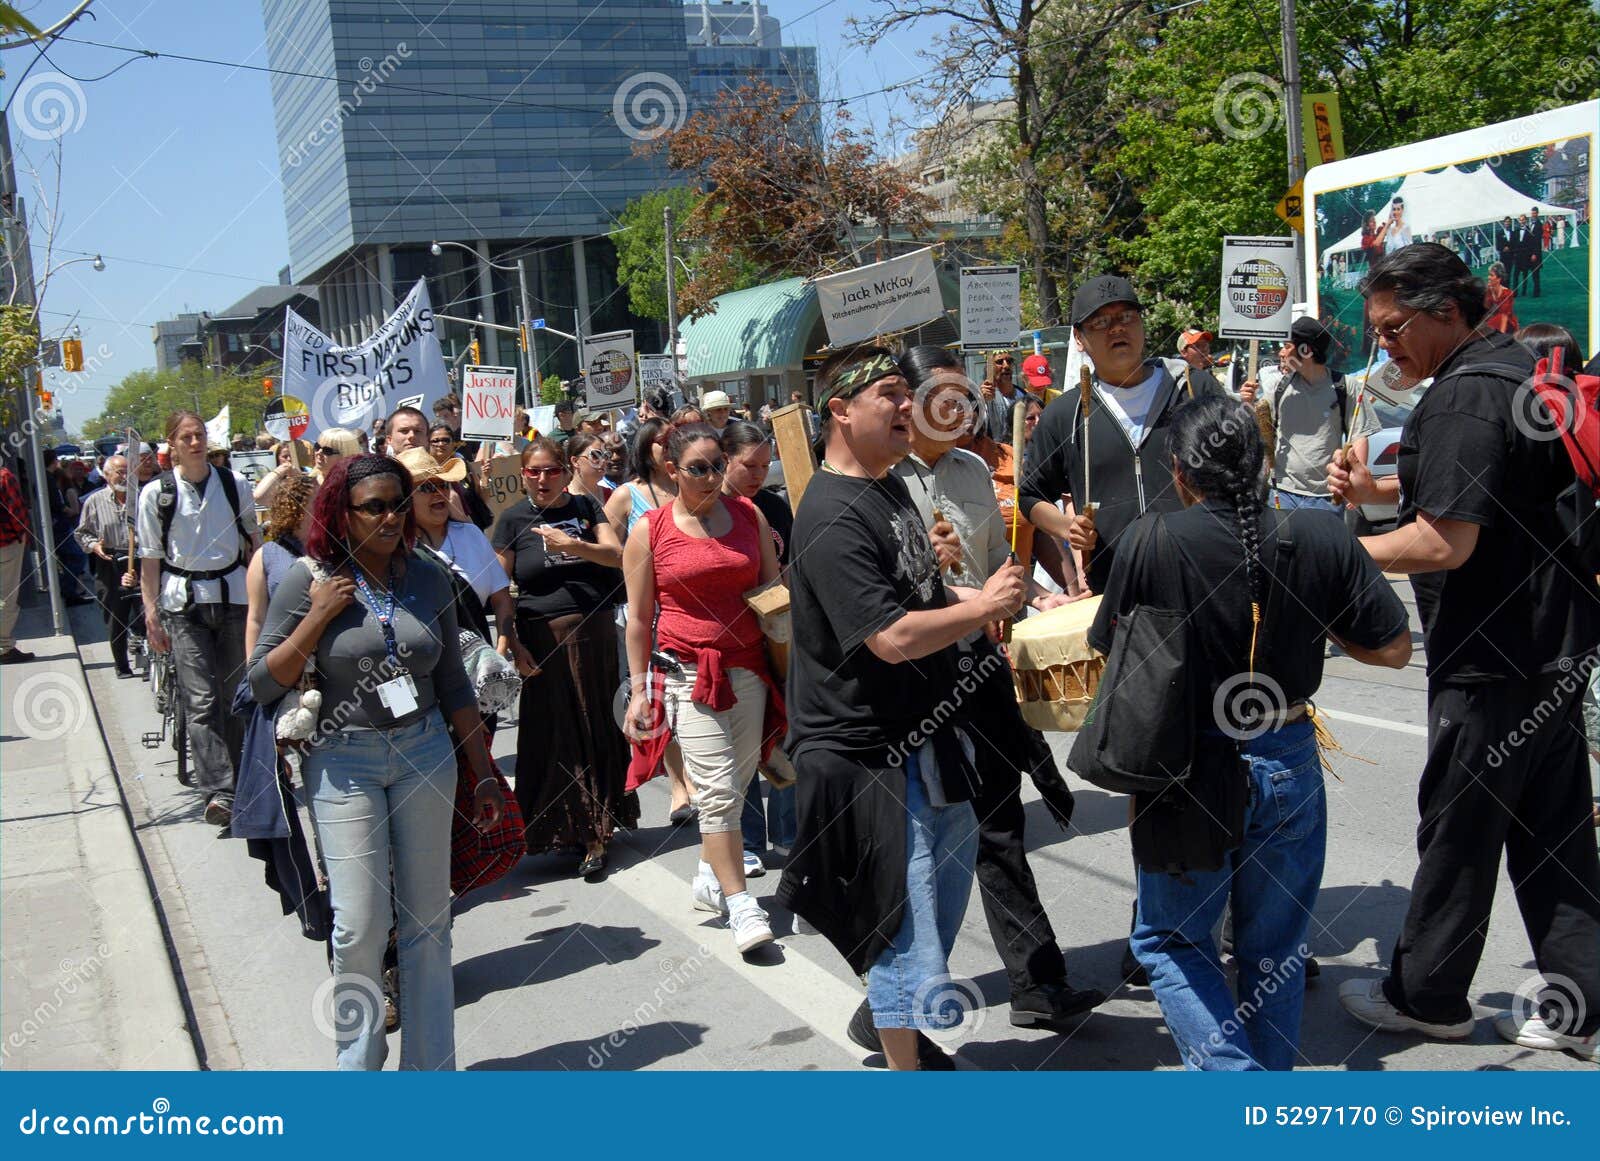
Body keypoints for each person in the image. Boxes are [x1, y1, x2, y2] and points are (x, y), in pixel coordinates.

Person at [1328, 243, 1600, 1057]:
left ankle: (1430, 995)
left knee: (1458, 831)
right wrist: (1378, 496)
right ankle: (1580, 1006)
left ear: (1445, 310)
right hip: (1557, 648)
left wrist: (1332, 555)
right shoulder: (1519, 370)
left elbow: (1445, 540)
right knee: (1556, 839)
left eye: (1392, 328)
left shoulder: (1463, 396)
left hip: (1491, 661)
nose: (1384, 347)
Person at [1090, 393, 1411, 1069]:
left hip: (1187, 766)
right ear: (1263, 463)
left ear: (1180, 471)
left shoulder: (1151, 539)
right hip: (1289, 755)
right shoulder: (1321, 534)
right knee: (1275, 953)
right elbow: (1392, 649)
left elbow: (1108, 650)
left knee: (1174, 942)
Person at [775, 345, 1023, 1070]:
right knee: (899, 924)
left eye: (908, 393)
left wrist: (981, 606)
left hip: (929, 736)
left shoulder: (887, 490)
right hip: (867, 754)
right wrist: (979, 604)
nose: (907, 406)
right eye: (889, 393)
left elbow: (918, 598)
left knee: (939, 910)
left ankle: (892, 1029)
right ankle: (906, 1071)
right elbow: (887, 636)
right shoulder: (826, 514)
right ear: (840, 411)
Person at [249, 454, 500, 1070]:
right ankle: (355, 1072)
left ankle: (430, 1071)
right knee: (360, 927)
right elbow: (259, 682)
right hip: (343, 760)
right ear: (342, 512)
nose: (390, 517)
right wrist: (316, 618)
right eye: (374, 506)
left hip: (425, 753)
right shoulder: (307, 578)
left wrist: (485, 770)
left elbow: (452, 682)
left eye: (398, 502)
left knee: (428, 924)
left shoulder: (427, 577)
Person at [891, 345, 1106, 1036]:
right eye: (942, 395)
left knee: (1000, 824)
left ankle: (1036, 981)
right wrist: (940, 574)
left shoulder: (976, 470)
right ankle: (893, 1000)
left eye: (964, 395)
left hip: (978, 674)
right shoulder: (876, 483)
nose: (957, 408)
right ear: (910, 400)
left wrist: (1032, 601)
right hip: (911, 684)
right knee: (926, 844)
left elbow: (997, 573)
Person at [622, 423, 782, 951]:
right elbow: (640, 619)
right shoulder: (650, 531)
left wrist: (788, 666)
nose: (712, 477)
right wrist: (642, 690)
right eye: (698, 468)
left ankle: (711, 878)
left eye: (717, 465)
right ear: (671, 471)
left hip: (749, 669)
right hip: (688, 673)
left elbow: (773, 593)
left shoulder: (748, 515)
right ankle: (742, 905)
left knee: (735, 789)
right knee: (714, 791)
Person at [1020, 274, 1223, 596]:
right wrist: (1068, 527)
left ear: (1142, 324)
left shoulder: (1195, 388)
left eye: (1126, 317)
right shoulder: (1065, 414)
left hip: (1205, 580)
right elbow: (1030, 495)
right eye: (1101, 322)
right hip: (1115, 592)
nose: (1117, 328)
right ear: (1079, 337)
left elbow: (1242, 467)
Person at [493, 439, 635, 876]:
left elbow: (616, 556)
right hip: (541, 637)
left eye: (551, 470)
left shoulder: (586, 508)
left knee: (594, 723)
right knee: (555, 731)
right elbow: (499, 590)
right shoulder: (512, 519)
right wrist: (510, 642)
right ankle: (561, 827)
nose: (542, 479)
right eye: (533, 472)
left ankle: (598, 830)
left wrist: (569, 545)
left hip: (592, 632)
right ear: (523, 474)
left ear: (564, 470)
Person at [139, 410, 262, 827]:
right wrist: (151, 614)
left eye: (200, 435)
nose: (195, 442)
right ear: (171, 443)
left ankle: (244, 778)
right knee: (201, 700)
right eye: (187, 437)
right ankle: (219, 790)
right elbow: (150, 560)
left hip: (233, 598)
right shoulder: (157, 493)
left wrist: (265, 595)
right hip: (183, 604)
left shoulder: (234, 483)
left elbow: (254, 543)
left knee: (235, 696)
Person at [604, 417, 695, 824]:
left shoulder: (693, 486)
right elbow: (605, 549)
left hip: (688, 612)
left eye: (673, 440)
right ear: (645, 448)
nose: (667, 446)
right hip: (644, 615)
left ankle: (700, 777)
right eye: (660, 441)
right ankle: (678, 785)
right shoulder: (627, 496)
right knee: (660, 704)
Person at [719, 421, 794, 870]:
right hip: (734, 643)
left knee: (786, 731)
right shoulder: (710, 511)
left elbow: (790, 568)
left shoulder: (774, 508)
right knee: (739, 745)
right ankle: (747, 842)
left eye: (765, 465)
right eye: (749, 465)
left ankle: (789, 831)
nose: (758, 474)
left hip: (780, 635)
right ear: (724, 458)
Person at [398, 447, 536, 681]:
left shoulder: (470, 534)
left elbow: (501, 598)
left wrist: (501, 649)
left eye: (442, 485)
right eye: (427, 488)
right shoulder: (396, 548)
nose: (439, 493)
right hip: (423, 673)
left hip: (479, 668)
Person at [1239, 317, 1378, 512]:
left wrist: (1355, 483)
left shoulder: (1345, 387)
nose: (1281, 352)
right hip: (1283, 492)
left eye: (1287, 346)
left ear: (1306, 350)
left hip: (1327, 497)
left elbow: (1359, 436)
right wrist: (1247, 401)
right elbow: (1258, 426)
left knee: (1324, 544)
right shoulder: (1280, 386)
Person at [74, 454, 145, 677]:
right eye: (119, 472)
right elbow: (82, 533)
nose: (125, 476)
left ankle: (150, 661)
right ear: (106, 475)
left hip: (143, 559)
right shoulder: (94, 501)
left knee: (145, 612)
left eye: (128, 471)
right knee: (115, 616)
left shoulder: (142, 498)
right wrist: (95, 546)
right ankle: (121, 664)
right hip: (110, 563)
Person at [0, 456, 35, 664]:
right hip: (5, 544)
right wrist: (23, 536)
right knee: (6, 597)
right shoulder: (4, 477)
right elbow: (17, 512)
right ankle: (3, 647)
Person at [981, 350, 1033, 446]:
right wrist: (980, 401)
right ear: (989, 367)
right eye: (999, 362)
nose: (1006, 366)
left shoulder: (1024, 396)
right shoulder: (981, 398)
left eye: (1009, 361)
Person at [565, 431, 613, 505]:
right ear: (575, 461)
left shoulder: (612, 496)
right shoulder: (559, 498)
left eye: (606, 456)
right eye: (596, 455)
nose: (603, 461)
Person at [1482, 262, 1518, 334]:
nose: (1488, 277)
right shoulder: (1487, 291)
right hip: (1492, 320)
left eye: (1491, 275)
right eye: (1489, 275)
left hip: (1506, 323)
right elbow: (1485, 309)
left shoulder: (1507, 293)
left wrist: (1501, 336)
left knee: (1500, 317)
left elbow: (1504, 316)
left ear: (1499, 279)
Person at [1526, 206, 1545, 298]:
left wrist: (1534, 254)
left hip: (1535, 253)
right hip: (1529, 252)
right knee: (1532, 273)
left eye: (1534, 213)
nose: (1533, 215)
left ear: (1537, 214)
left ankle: (1537, 291)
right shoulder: (1530, 224)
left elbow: (1537, 241)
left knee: (1535, 273)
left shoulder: (1539, 224)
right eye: (1532, 213)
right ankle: (1534, 290)